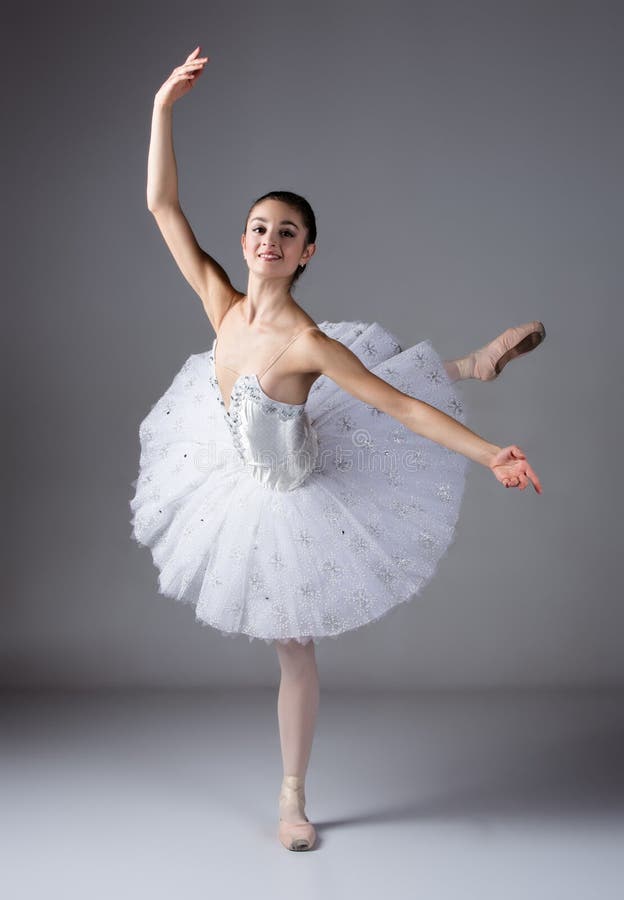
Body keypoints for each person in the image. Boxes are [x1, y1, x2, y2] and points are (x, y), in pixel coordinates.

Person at [129, 47, 545, 852]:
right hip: (237, 472)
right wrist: (161, 108)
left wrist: (490, 453)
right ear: (244, 241)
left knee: (297, 639)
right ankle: (474, 363)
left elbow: (398, 406)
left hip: (299, 487)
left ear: (307, 252)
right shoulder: (222, 305)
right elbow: (161, 207)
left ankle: (292, 799)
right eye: (258, 228)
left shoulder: (307, 342)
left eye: (287, 232)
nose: (268, 240)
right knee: (377, 400)